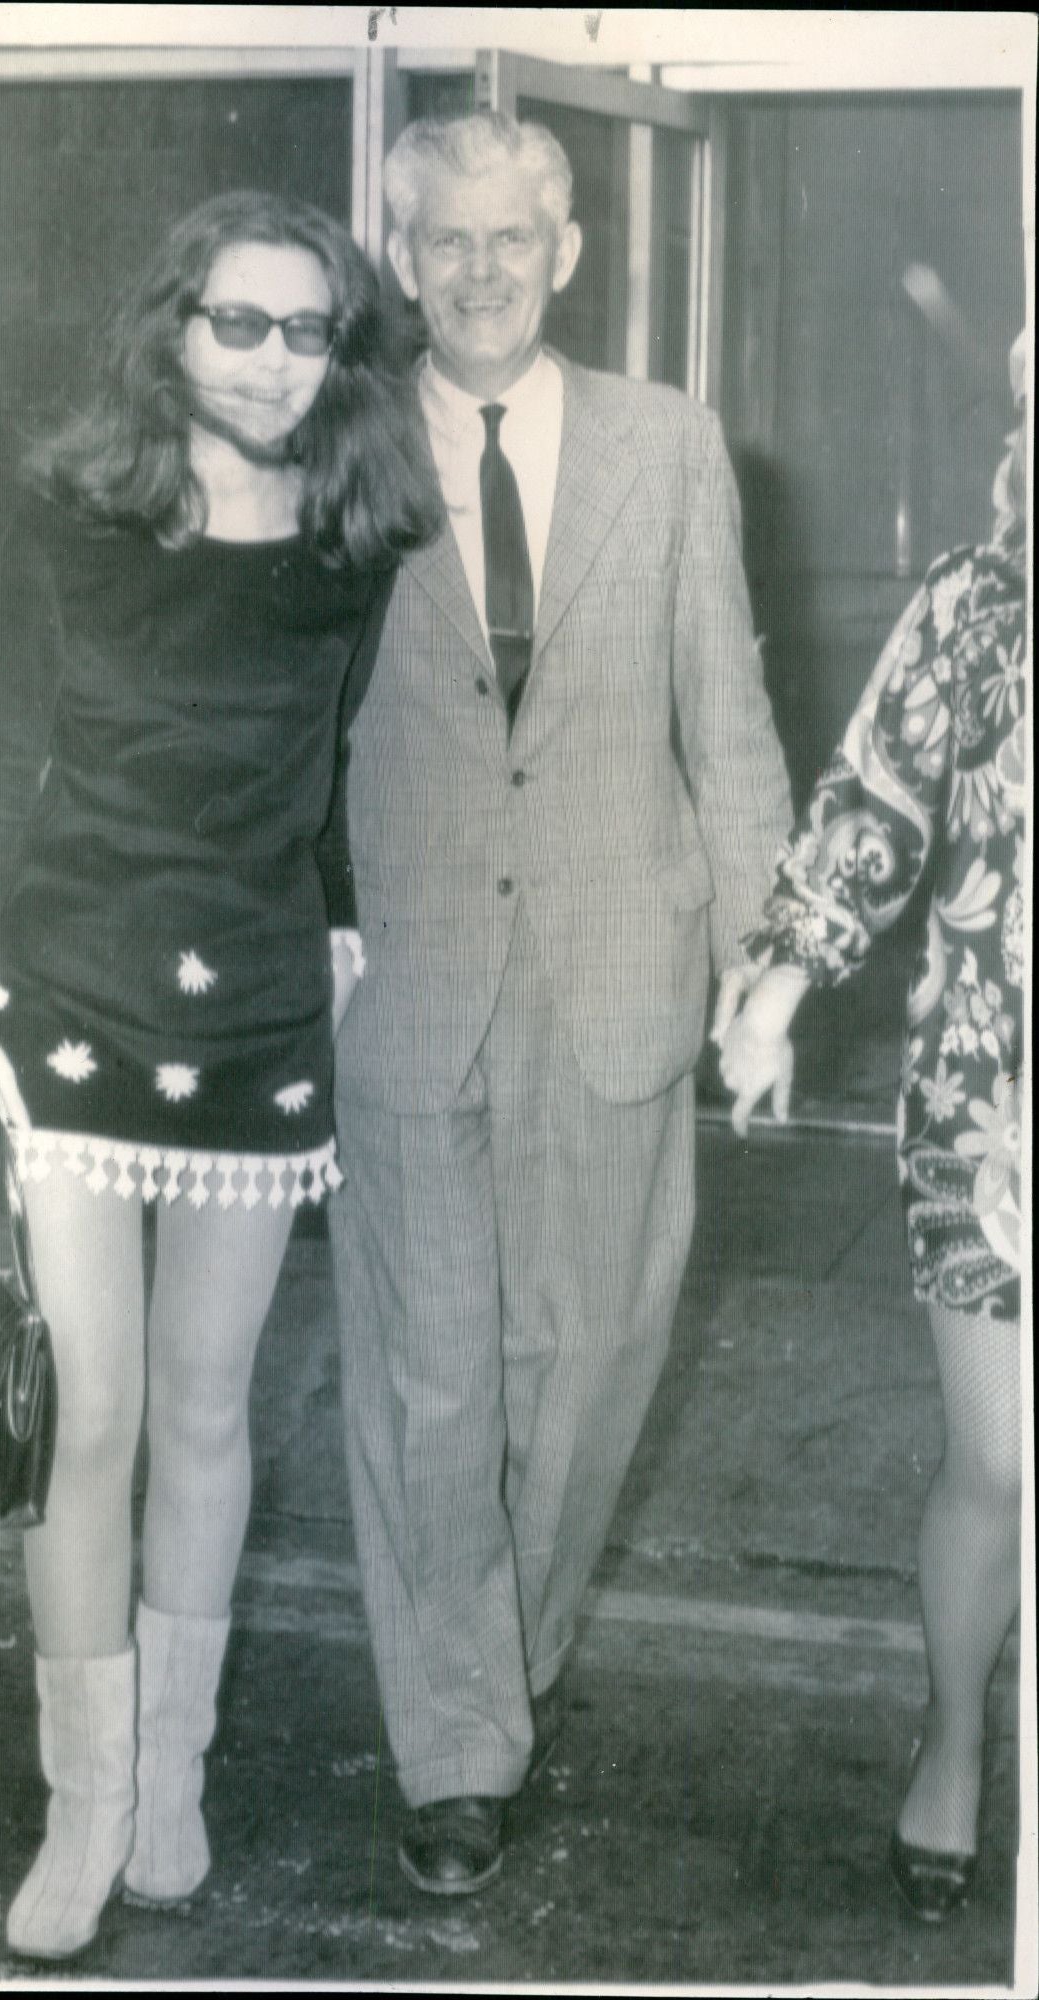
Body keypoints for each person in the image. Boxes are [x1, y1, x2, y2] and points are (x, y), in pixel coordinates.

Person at [0, 189, 439, 1961]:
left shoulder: (354, 540)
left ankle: (177, 1775)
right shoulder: (74, 519)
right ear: (173, 329)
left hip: (259, 1011)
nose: (279, 363)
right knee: (96, 1420)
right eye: (243, 324)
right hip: (72, 995)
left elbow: (333, 763)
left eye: (311, 332)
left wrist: (341, 931)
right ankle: (85, 1803)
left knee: (211, 1416)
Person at [327, 110, 794, 1895]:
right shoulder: (345, 448)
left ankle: (495, 1668)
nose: (479, 271)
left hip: (617, 962)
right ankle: (456, 1745)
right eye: (444, 241)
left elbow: (725, 722)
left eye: (511, 239)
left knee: (588, 1366)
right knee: (433, 1378)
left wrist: (765, 955)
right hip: (413, 975)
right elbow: (293, 715)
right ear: (405, 258)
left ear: (569, 250)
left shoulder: (670, 450)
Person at [716, 335, 1027, 1924]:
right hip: (997, 1101)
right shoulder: (975, 606)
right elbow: (872, 809)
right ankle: (960, 1730)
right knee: (1003, 1455)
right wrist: (776, 985)